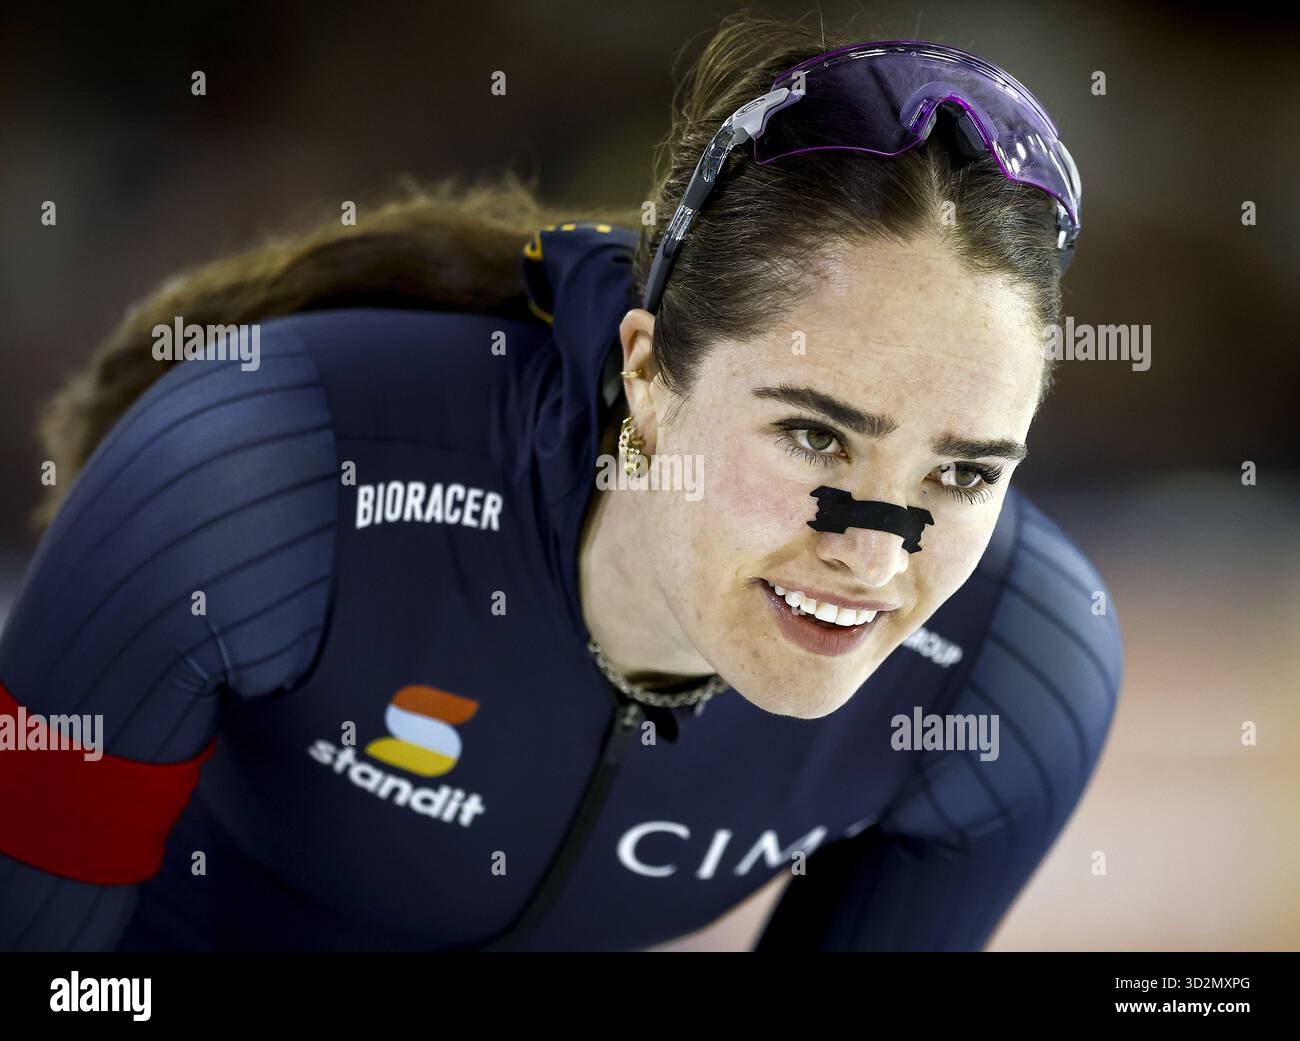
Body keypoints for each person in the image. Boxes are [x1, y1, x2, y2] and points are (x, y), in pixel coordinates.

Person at [0, 14, 1121, 951]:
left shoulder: (1008, 672)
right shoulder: (258, 480)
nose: (876, 557)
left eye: (964, 470)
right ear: (647, 372)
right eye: (817, 438)